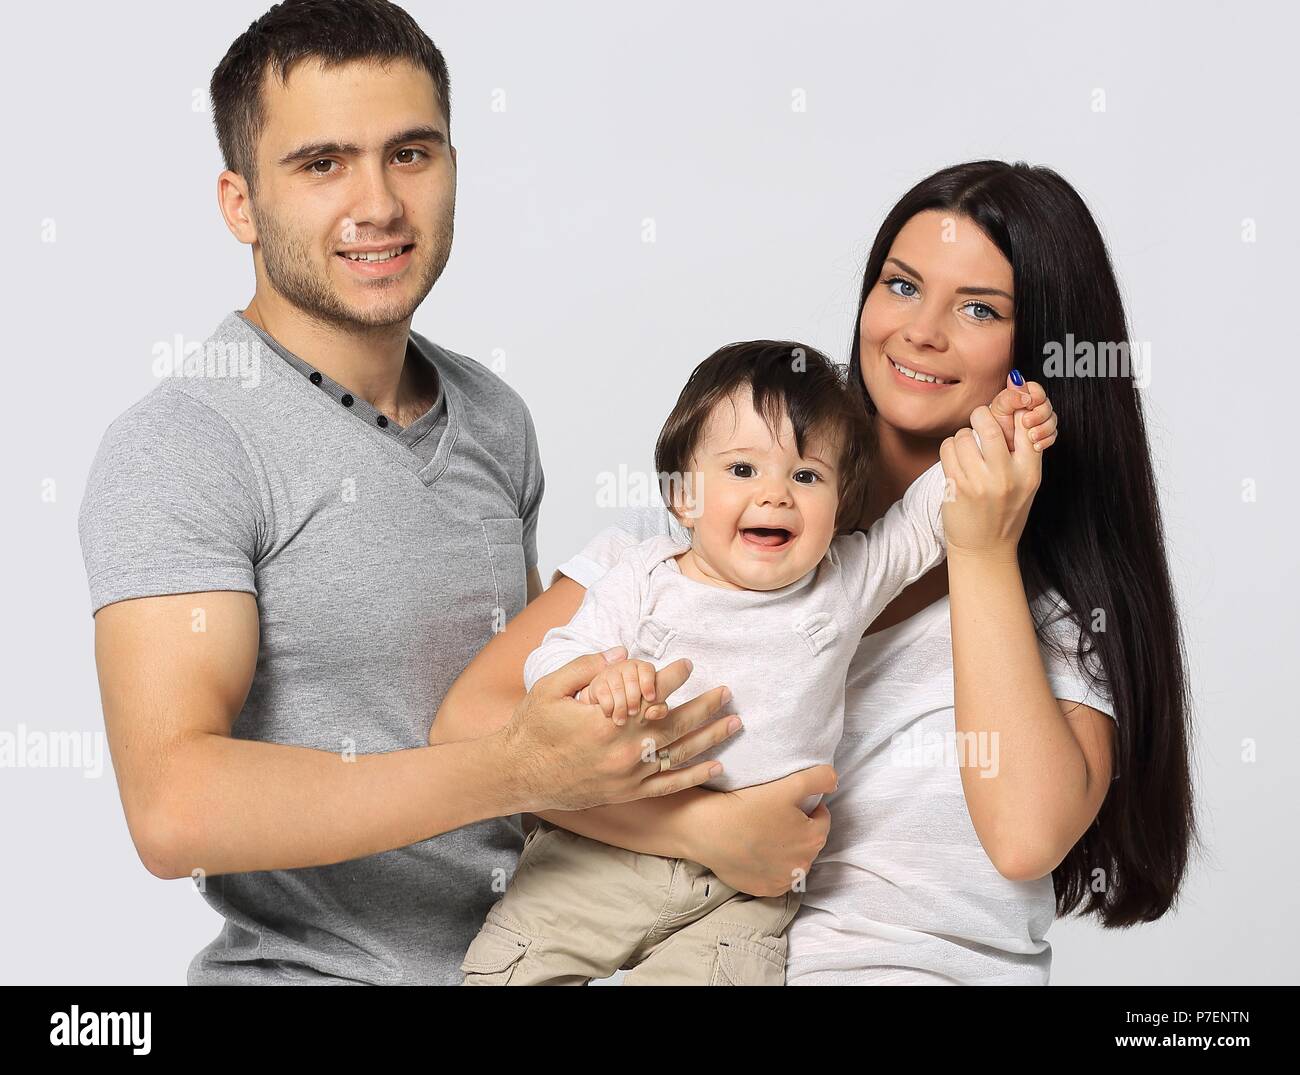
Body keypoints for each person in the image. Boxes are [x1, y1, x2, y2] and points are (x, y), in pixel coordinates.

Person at [76, 0, 736, 986]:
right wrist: (517, 766)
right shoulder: (184, 443)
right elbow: (174, 808)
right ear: (239, 203)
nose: (378, 203)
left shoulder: (494, 416)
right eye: (321, 163)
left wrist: (716, 828)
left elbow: (527, 718)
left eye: (412, 153)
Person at [435, 161, 1196, 984]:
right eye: (901, 287)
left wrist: (981, 545)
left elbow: (1022, 838)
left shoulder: (1056, 623)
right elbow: (470, 730)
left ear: (1035, 359)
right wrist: (697, 829)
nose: (922, 331)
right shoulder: (693, 554)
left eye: (979, 308)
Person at [447, 339, 1056, 984]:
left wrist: (998, 429)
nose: (775, 495)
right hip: (604, 847)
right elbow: (553, 659)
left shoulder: (844, 583)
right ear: (682, 496)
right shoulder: (642, 577)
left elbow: (919, 521)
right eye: (742, 470)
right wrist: (602, 685)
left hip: (747, 891)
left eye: (806, 476)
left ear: (839, 506)